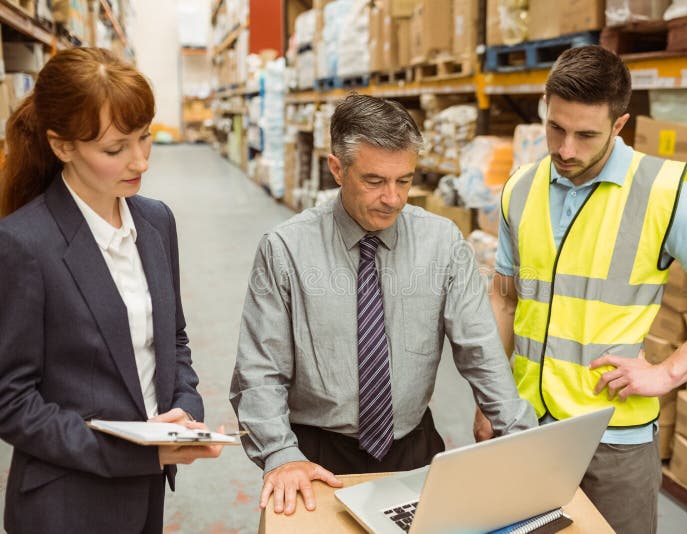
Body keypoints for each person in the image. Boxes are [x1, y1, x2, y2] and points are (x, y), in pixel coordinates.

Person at [473, 45, 687, 534]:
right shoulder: (520, 187)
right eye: (556, 128)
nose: (566, 149)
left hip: (611, 438)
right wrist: (490, 396)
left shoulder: (663, 191)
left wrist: (669, 372)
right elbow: (505, 297)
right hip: (524, 424)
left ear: (619, 125)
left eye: (586, 134)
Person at [230, 93, 537, 516]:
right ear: (337, 168)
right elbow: (259, 370)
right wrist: (281, 454)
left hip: (413, 449)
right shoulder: (286, 250)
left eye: (404, 181)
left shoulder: (442, 243)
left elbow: (480, 349)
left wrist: (520, 437)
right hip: (315, 456)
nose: (392, 198)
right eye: (374, 181)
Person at [0, 48, 222, 534]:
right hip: (66, 502)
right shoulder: (23, 244)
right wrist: (134, 450)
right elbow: (11, 402)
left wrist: (185, 410)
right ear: (63, 147)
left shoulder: (156, 222)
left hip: (145, 492)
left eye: (144, 137)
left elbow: (173, 339)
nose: (140, 160)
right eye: (115, 148)